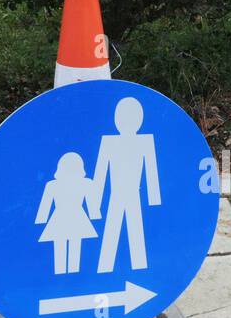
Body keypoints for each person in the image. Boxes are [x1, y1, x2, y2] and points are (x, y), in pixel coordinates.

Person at [92, 97, 161, 273]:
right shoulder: (109, 142)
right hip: (117, 193)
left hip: (133, 193)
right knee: (112, 230)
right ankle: (105, 268)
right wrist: (95, 204)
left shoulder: (145, 141)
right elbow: (100, 174)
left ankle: (135, 267)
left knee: (134, 230)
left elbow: (151, 172)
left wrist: (154, 199)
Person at [35, 152, 101, 274]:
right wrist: (95, 216)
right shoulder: (85, 183)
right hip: (77, 218)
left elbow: (43, 211)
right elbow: (93, 209)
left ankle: (63, 275)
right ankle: (72, 274)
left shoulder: (52, 185)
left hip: (59, 219)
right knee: (75, 248)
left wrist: (41, 220)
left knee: (60, 249)